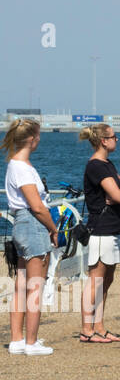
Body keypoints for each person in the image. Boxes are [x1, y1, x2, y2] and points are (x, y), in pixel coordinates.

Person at [5, 119, 59, 356]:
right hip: (32, 224)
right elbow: (37, 206)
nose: (40, 139)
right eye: (38, 136)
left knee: (21, 284)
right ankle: (31, 342)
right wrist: (53, 228)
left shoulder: (13, 164)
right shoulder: (23, 168)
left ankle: (17, 339)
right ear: (31, 139)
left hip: (20, 223)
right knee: (35, 285)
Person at [78, 123, 120, 343]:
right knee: (96, 279)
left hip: (112, 228)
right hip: (100, 229)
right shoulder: (96, 166)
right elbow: (118, 195)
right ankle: (86, 328)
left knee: (107, 279)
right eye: (114, 136)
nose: (117, 139)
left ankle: (99, 325)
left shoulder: (108, 164)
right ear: (103, 141)